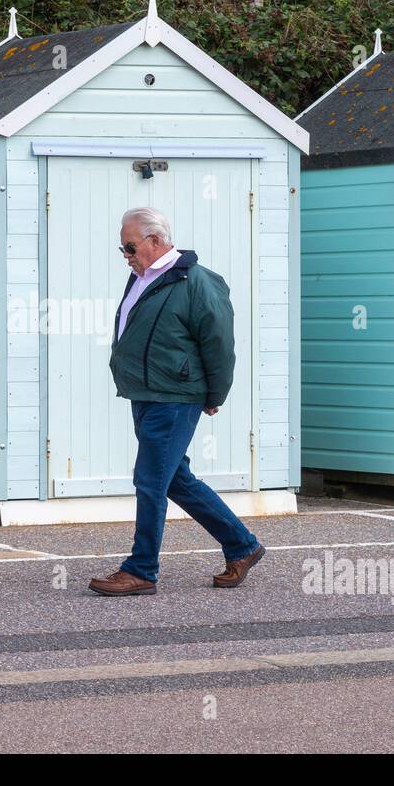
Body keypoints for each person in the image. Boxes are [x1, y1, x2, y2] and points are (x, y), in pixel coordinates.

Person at [88, 206, 266, 596]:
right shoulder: (141, 278)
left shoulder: (198, 282)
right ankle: (242, 545)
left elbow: (219, 342)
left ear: (155, 240)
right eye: (123, 250)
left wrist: (215, 393)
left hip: (175, 397)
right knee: (176, 479)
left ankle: (142, 569)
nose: (127, 256)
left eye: (130, 247)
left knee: (150, 480)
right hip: (147, 394)